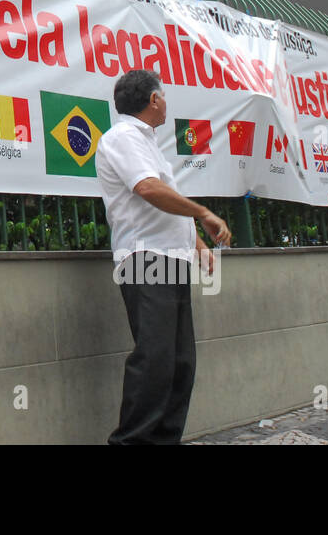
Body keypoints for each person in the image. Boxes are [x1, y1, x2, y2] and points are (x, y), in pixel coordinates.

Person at [96, 69, 231, 444]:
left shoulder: (147, 142)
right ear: (154, 99)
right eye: (164, 96)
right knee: (155, 360)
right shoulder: (124, 137)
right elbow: (148, 189)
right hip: (145, 260)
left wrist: (199, 247)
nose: (166, 102)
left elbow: (164, 203)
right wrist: (203, 212)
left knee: (180, 362)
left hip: (170, 260)